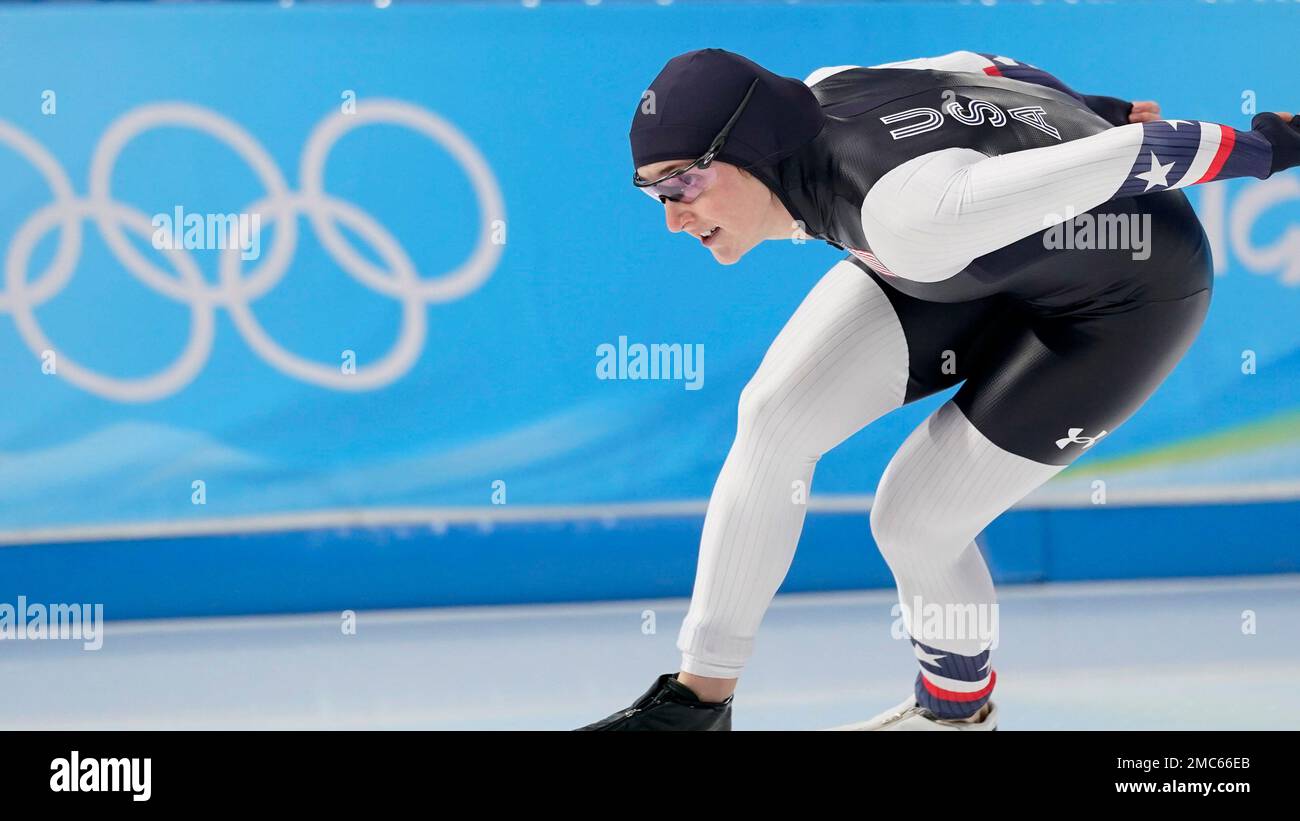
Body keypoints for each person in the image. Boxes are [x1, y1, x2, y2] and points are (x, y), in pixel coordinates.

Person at [577, 49, 1300, 731]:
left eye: (682, 183)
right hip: (969, 259)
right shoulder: (826, 88)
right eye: (655, 193)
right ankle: (698, 704)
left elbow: (1137, 155)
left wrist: (1271, 143)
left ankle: (952, 716)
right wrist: (1088, 108)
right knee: (774, 415)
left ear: (750, 150)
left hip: (1123, 296)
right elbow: (977, 71)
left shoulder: (905, 210)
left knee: (914, 517)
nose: (673, 217)